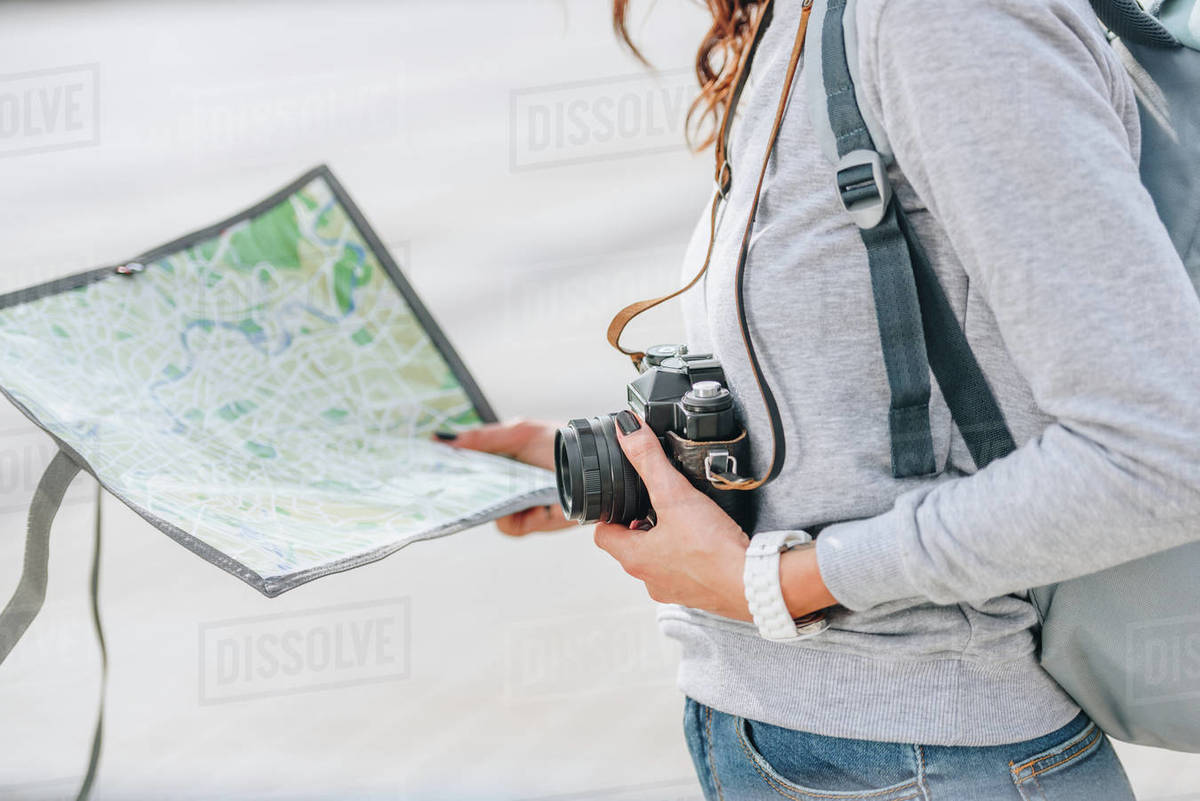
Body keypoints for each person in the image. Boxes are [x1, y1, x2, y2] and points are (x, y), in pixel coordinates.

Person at [445, 0, 1200, 796]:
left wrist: (778, 583)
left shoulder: (942, 19)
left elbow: (1160, 451)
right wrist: (622, 464)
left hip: (931, 756)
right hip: (788, 741)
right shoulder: (795, 20)